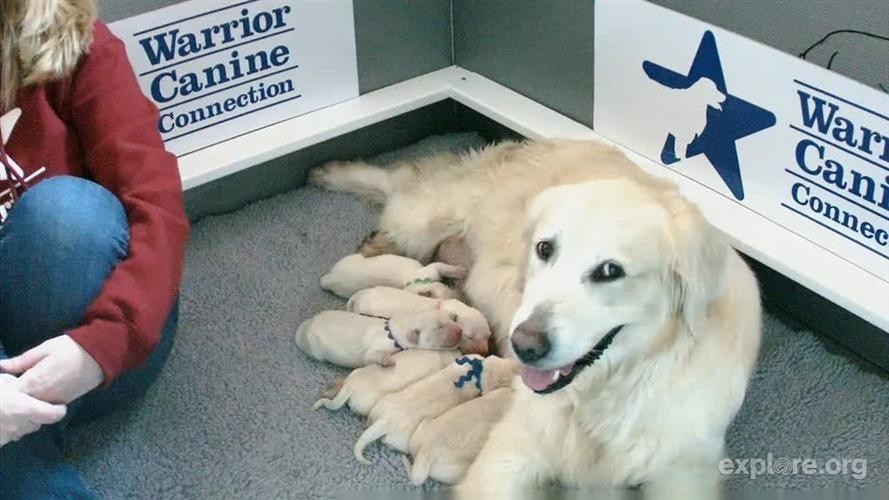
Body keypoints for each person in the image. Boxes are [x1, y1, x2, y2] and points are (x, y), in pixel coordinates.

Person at [0, 0, 189, 497]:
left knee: (67, 215)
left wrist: (99, 347)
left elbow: (158, 207)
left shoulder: (76, 41)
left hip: (103, 334)